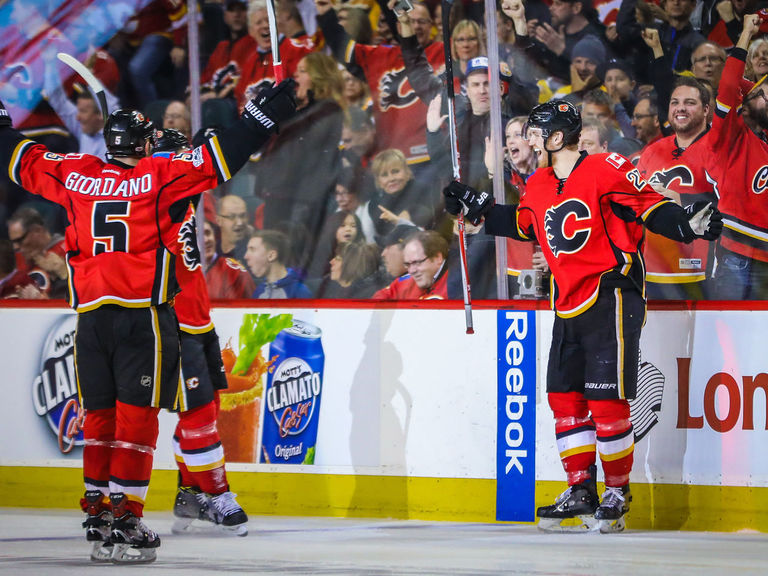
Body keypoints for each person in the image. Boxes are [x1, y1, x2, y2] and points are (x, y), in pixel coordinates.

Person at [0, 78, 297, 562]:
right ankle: (128, 519)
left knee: (100, 418)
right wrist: (259, 119)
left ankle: (97, 510)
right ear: (146, 145)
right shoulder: (159, 176)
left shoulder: (76, 173)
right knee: (137, 421)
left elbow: (21, 159)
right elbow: (222, 156)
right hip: (142, 317)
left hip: (90, 320)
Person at [443, 100, 722, 532]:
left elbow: (648, 205)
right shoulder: (537, 181)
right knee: (564, 396)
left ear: (556, 138)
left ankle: (616, 493)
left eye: (535, 132)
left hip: (611, 293)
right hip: (566, 299)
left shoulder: (606, 166)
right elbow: (524, 224)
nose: (528, 138)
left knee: (607, 399)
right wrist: (476, 209)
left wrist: (687, 224)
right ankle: (580, 489)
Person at [150, 128, 248, 536]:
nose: (191, 166)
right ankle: (218, 494)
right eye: (182, 159)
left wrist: (204, 143)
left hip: (195, 318)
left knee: (197, 412)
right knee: (200, 414)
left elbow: (203, 174)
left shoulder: (176, 191)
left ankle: (190, 491)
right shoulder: (157, 196)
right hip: (172, 323)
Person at [636, 76, 718, 300]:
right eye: (675, 102)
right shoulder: (652, 151)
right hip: (652, 274)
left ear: (705, 109)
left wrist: (678, 198)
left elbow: (732, 203)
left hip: (701, 275)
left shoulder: (719, 149)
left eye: (689, 102)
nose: (680, 108)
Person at [709, 14, 768, 298]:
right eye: (764, 95)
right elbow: (731, 85)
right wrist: (746, 33)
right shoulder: (731, 132)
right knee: (726, 335)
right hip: (736, 255)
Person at [7, 206, 68, 299]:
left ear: (37, 230)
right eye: (13, 242)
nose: (15, 247)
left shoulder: (67, 249)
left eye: (20, 240)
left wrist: (64, 272)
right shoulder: (18, 258)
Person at [374, 229, 449, 299]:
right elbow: (383, 295)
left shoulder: (456, 284)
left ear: (438, 258)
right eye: (408, 264)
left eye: (417, 262)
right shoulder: (408, 281)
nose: (412, 271)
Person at [244, 229, 312, 298]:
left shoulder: (299, 292)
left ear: (271, 256)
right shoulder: (259, 291)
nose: (245, 256)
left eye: (252, 249)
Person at [203, 219, 256, 299]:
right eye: (197, 236)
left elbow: (249, 308)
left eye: (208, 233)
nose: (206, 240)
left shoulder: (234, 272)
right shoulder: (181, 275)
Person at [216, 194, 250, 262]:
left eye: (243, 216)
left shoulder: (251, 253)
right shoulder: (213, 250)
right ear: (219, 221)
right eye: (232, 217)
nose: (239, 223)